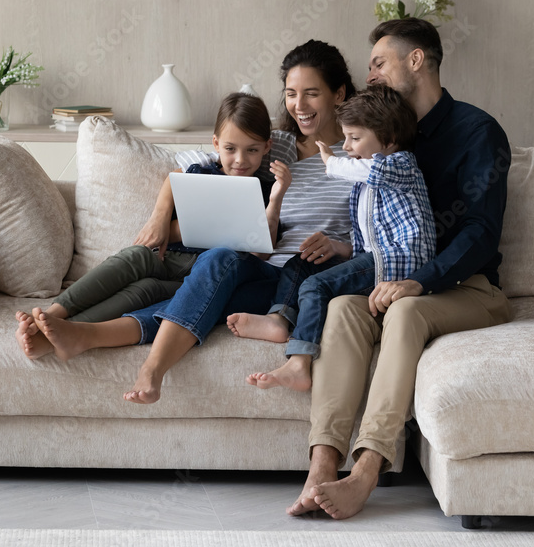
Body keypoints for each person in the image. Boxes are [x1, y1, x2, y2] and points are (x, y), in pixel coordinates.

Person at [27, 40, 359, 405]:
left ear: (339, 93)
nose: (299, 106)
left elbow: (376, 240)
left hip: (289, 282)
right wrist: (160, 218)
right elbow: (190, 165)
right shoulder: (273, 144)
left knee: (203, 284)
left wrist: (339, 246)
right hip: (245, 262)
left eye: (312, 93)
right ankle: (73, 334)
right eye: (292, 94)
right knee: (209, 264)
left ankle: (132, 359)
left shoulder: (358, 159)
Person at [287, 19, 512, 520]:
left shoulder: (476, 131)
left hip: (468, 288)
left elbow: (480, 232)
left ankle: (366, 472)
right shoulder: (383, 132)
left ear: (416, 61)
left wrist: (419, 281)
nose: (370, 75)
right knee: (343, 308)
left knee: (407, 311)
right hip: (393, 278)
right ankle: (321, 466)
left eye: (378, 63)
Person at [14, 93, 289, 361]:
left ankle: (63, 333)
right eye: (230, 149)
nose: (240, 159)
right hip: (172, 256)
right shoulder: (201, 172)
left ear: (266, 147)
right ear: (216, 143)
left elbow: (262, 252)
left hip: (202, 275)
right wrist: (160, 218)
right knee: (136, 255)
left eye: (252, 150)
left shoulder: (265, 191)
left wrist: (275, 200)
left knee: (146, 289)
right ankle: (52, 314)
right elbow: (174, 178)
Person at [228, 85, 436, 394]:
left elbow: (372, 169)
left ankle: (299, 363)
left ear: (390, 139)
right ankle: (278, 318)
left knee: (316, 286)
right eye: (346, 138)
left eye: (355, 138)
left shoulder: (401, 164)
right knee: (301, 264)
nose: (347, 147)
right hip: (374, 258)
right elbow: (365, 235)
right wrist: (341, 248)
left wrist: (330, 161)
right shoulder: (363, 185)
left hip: (398, 262)